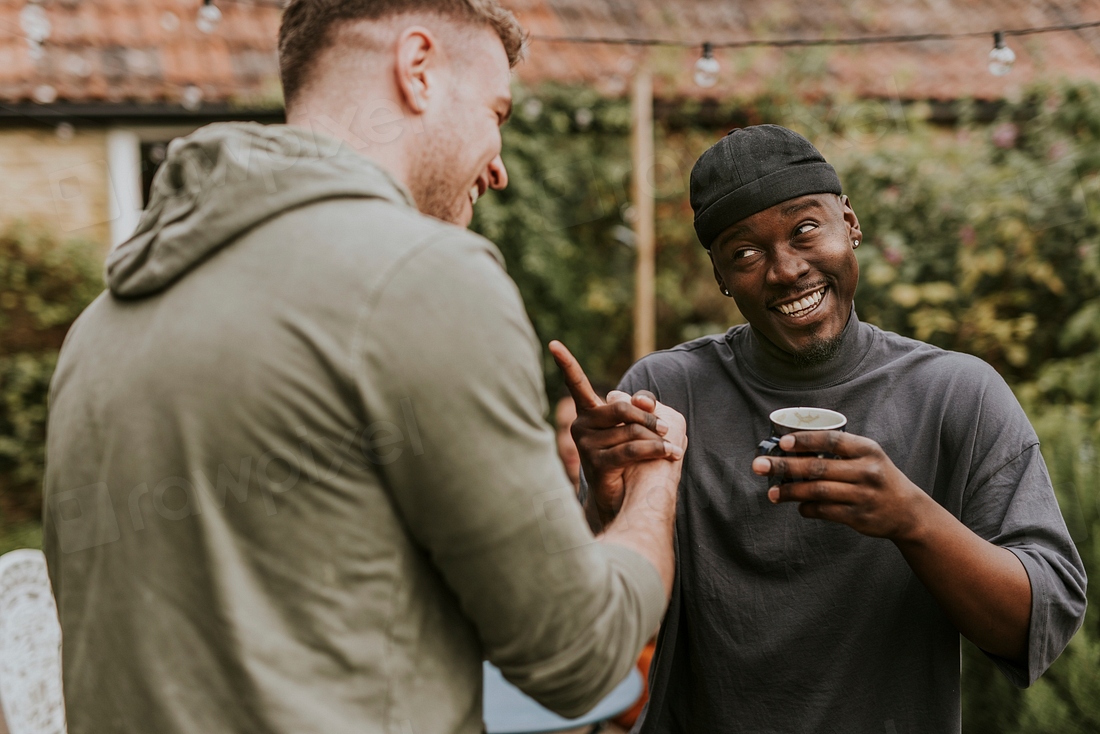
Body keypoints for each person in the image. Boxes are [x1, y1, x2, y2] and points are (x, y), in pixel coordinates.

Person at [41, 2, 687, 732]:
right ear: (418, 69)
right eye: (495, 113)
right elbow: (579, 656)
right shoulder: (424, 278)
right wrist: (655, 485)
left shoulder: (99, 327)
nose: (500, 166)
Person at [553, 125, 1088, 733]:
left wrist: (910, 517)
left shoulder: (955, 395)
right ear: (721, 276)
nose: (785, 269)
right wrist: (605, 500)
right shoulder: (671, 395)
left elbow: (1038, 622)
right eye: (744, 254)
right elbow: (583, 633)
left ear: (850, 224)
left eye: (805, 229)